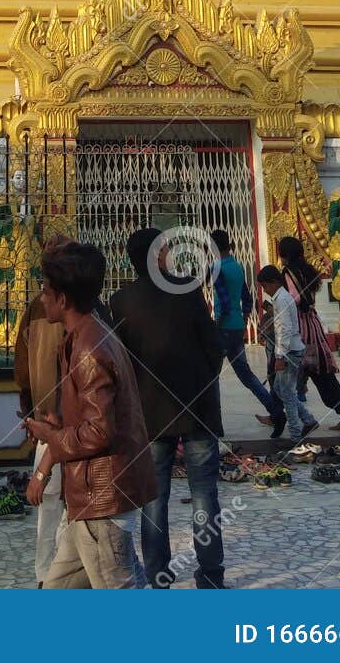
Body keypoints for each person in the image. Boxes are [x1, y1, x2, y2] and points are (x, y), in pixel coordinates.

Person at [24, 242, 154, 589]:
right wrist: (58, 429)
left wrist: (52, 436)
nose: (43, 299)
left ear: (63, 299)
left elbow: (99, 431)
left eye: (46, 291)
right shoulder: (84, 336)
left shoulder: (89, 348)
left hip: (103, 497)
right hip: (87, 497)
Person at [111, 228, 225, 589]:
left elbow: (122, 364)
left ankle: (158, 574)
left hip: (150, 414)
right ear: (157, 256)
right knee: (204, 491)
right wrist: (203, 380)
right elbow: (213, 345)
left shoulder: (121, 301)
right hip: (197, 408)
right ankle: (210, 575)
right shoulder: (188, 289)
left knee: (154, 497)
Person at [14, 233, 68, 585]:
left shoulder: (38, 308)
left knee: (51, 507)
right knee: (59, 505)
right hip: (57, 423)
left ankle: (49, 575)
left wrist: (31, 413)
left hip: (52, 421)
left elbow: (22, 372)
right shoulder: (85, 312)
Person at [277, 235, 340, 431]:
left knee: (284, 374)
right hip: (313, 325)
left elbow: (294, 301)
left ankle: (277, 414)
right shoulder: (308, 271)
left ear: (284, 255)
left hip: (299, 327)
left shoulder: (288, 274)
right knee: (320, 372)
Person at [210, 227, 283, 427]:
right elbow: (247, 298)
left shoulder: (217, 268)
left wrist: (216, 326)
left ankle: (214, 422)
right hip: (237, 326)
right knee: (246, 375)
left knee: (211, 377)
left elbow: (224, 303)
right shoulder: (237, 266)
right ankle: (275, 411)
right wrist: (243, 318)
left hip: (224, 327)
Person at [256, 264, 318, 445]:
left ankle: (295, 434)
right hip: (291, 349)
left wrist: (279, 356)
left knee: (287, 393)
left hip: (289, 351)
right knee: (279, 388)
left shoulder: (282, 299)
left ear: (274, 283)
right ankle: (308, 419)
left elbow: (285, 329)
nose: (265, 291)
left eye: (265, 286)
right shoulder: (282, 297)